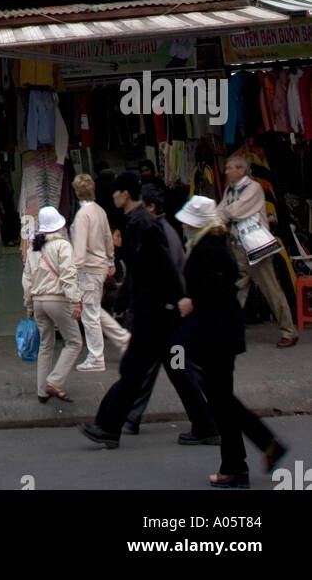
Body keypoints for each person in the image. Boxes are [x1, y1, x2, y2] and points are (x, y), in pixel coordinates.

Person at [80, 172, 219, 449]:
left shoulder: (143, 225)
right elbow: (140, 271)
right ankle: (205, 425)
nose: (113, 196)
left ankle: (109, 427)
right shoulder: (139, 223)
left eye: (117, 192)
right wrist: (124, 301)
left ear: (125, 194)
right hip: (161, 315)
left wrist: (173, 301)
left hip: (155, 315)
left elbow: (159, 267)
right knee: (178, 371)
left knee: (134, 370)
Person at [177, 195, 287, 489]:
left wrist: (192, 303)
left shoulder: (210, 250)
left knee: (221, 401)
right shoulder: (207, 245)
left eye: (188, 221)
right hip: (216, 335)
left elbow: (217, 292)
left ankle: (240, 465)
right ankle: (251, 455)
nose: (184, 225)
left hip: (217, 336)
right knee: (222, 400)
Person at [121, 184, 206, 436]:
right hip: (166, 315)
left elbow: (166, 276)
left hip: (167, 316)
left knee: (177, 369)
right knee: (172, 368)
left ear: (151, 208)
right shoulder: (158, 232)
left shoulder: (161, 234)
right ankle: (132, 417)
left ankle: (206, 417)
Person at [215, 154, 297, 347]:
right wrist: (224, 214)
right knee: (236, 289)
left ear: (241, 170)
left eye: (230, 168)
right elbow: (220, 212)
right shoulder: (230, 190)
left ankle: (289, 331)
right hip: (237, 246)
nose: (226, 171)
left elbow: (232, 212)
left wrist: (225, 214)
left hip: (255, 247)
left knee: (270, 289)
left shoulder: (253, 188)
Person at [69, 174, 130, 373]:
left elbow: (79, 248)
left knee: (90, 314)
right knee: (93, 309)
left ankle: (96, 357)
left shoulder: (82, 216)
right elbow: (107, 237)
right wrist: (110, 260)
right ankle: (123, 339)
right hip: (100, 266)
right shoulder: (99, 211)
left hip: (88, 267)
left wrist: (72, 271)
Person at [22, 206, 82, 402]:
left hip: (38, 301)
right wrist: (75, 301)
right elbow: (68, 276)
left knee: (45, 345)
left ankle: (42, 390)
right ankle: (55, 381)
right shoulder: (63, 246)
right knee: (74, 342)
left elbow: (27, 280)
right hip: (57, 299)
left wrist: (29, 305)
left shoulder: (33, 248)